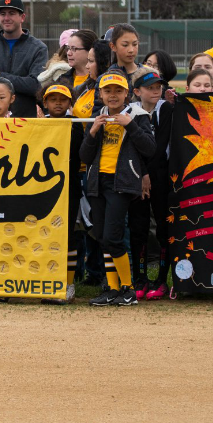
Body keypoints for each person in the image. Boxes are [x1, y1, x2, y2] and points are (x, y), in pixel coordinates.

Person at [80, 72, 155, 307]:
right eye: (107, 91)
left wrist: (130, 126)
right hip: (97, 183)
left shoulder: (137, 115)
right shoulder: (98, 116)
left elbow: (150, 149)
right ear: (100, 94)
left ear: (127, 93)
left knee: (113, 236)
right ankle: (113, 289)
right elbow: (85, 155)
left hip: (121, 183)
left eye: (118, 91)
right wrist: (92, 133)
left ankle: (128, 288)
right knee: (103, 236)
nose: (113, 95)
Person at [127, 66, 172, 300]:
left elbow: (158, 146)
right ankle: (140, 278)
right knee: (138, 227)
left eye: (158, 87)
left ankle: (161, 279)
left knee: (164, 227)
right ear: (137, 91)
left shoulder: (167, 109)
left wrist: (150, 174)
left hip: (161, 175)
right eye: (150, 88)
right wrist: (143, 173)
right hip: (137, 174)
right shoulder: (130, 112)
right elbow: (134, 147)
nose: (156, 91)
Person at [36, 83, 83, 305]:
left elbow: (79, 153)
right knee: (42, 233)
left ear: (70, 103)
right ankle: (45, 281)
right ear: (44, 102)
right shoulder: (36, 123)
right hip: (40, 188)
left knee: (68, 235)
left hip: (70, 187)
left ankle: (68, 283)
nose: (57, 103)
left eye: (62, 99)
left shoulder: (77, 124)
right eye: (52, 99)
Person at [0, 0, 48, 117]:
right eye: (3, 14)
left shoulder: (38, 48)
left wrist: (1, 76)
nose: (6, 18)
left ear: (22, 17)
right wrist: (19, 83)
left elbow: (36, 86)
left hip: (26, 119)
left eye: (12, 13)